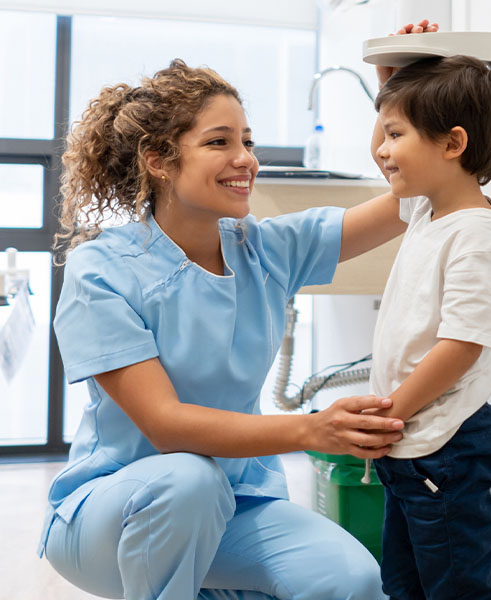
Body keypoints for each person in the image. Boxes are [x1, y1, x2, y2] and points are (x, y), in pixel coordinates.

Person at [36, 56, 413, 600]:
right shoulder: (103, 271)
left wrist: (395, 96)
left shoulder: (264, 249)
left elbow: (409, 199)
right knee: (188, 479)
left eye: (248, 140)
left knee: (350, 580)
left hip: (236, 505)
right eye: (219, 142)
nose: (245, 160)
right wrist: (310, 429)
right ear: (158, 159)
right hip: (110, 517)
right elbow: (167, 426)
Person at [368, 53, 491, 599]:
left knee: (456, 588)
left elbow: (461, 346)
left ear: (452, 144)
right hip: (411, 444)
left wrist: (390, 415)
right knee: (404, 585)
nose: (382, 150)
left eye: (395, 134)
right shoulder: (426, 211)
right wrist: (391, 77)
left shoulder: (476, 235)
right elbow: (388, 147)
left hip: (445, 448)